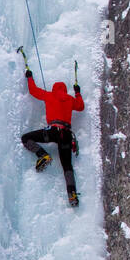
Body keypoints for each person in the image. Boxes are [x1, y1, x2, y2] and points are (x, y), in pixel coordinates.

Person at [20, 63, 84, 207]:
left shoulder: (49, 95)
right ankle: (72, 195)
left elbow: (34, 91)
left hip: (52, 132)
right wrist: (77, 92)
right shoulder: (70, 99)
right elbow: (80, 106)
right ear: (65, 90)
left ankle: (42, 155)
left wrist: (29, 77)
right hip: (66, 134)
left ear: (54, 88)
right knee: (67, 166)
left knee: (26, 138)